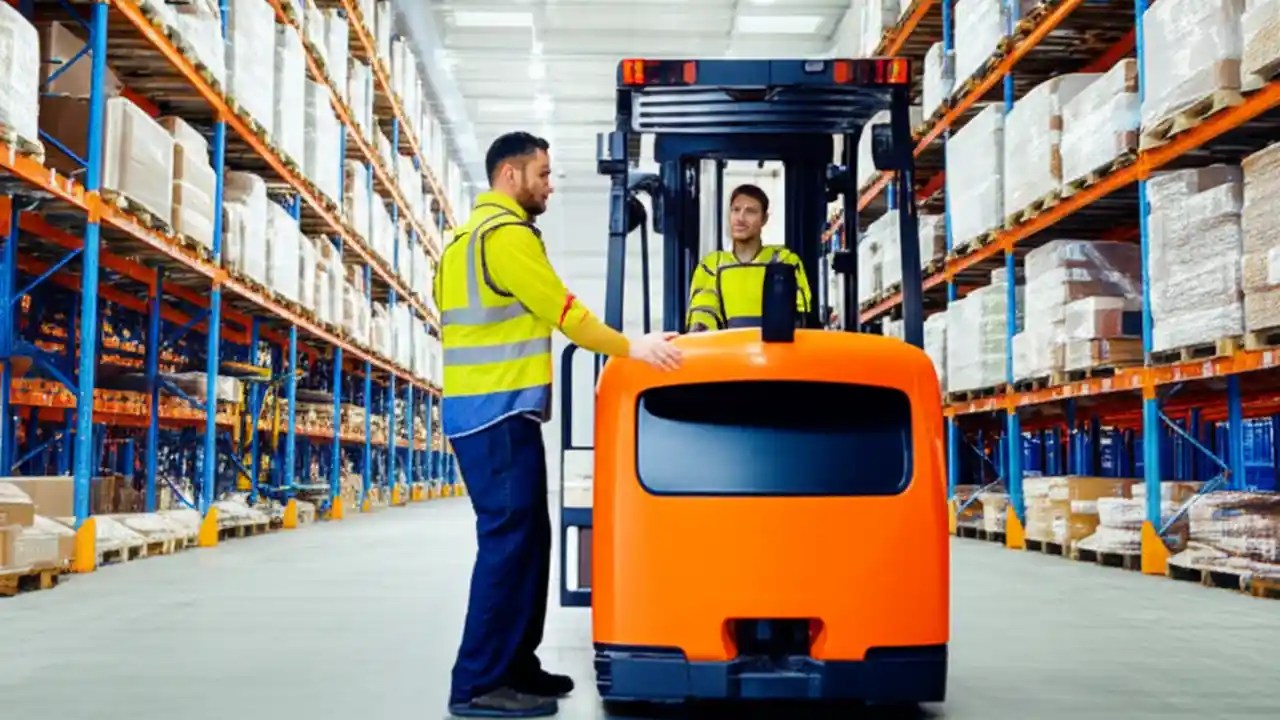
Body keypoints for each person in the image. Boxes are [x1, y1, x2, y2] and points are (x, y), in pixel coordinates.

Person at [433, 131, 682, 718]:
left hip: (490, 413)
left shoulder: (462, 241)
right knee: (507, 545)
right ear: (510, 176)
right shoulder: (506, 237)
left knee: (529, 540)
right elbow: (565, 312)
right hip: (494, 415)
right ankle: (476, 683)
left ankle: (516, 663)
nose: (549, 184)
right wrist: (633, 347)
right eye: (542, 174)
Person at [685, 184, 813, 331]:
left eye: (750, 212)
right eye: (735, 210)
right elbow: (703, 309)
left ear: (764, 219)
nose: (740, 218)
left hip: (775, 352)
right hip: (726, 351)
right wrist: (701, 328)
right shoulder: (711, 265)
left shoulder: (785, 261)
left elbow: (799, 316)